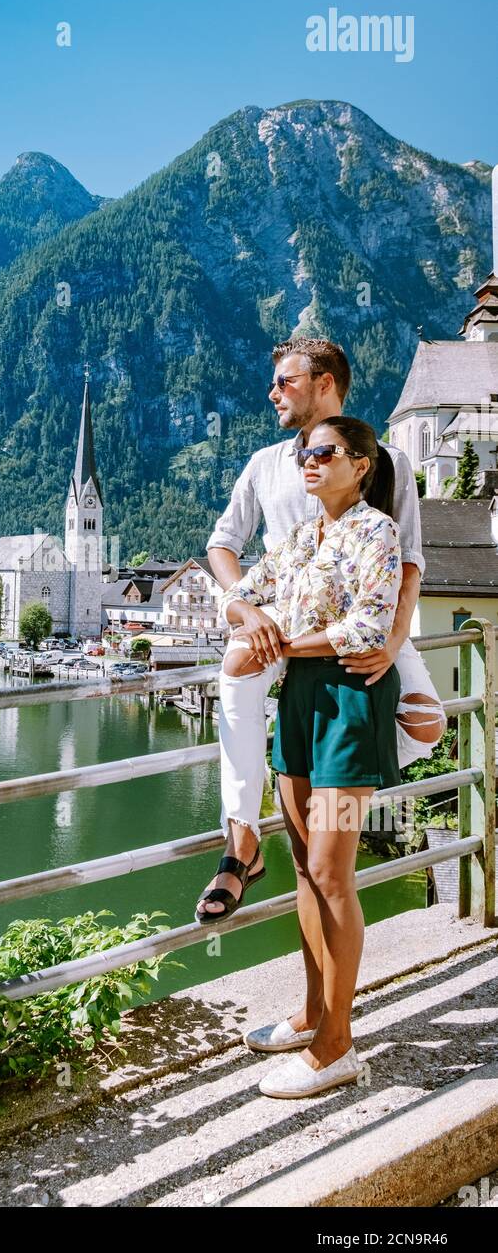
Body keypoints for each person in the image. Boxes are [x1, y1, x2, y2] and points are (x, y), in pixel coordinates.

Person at [195, 338, 444, 925]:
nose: (272, 392)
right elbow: (223, 546)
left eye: (285, 382)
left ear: (326, 383)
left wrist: (392, 637)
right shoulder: (264, 464)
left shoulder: (386, 460)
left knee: (429, 725)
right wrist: (245, 610)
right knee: (236, 673)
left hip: (364, 614)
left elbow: (408, 559)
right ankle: (242, 840)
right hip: (283, 616)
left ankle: (344, 780)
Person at [211, 416, 403, 1097]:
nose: (308, 463)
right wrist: (247, 617)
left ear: (361, 465)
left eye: (324, 453)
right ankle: (312, 1011)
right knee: (300, 865)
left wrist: (279, 643)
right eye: (304, 455)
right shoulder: (300, 537)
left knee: (331, 872)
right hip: (299, 701)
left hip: (351, 701)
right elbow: (245, 589)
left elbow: (366, 626)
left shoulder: (376, 532)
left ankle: (336, 1046)